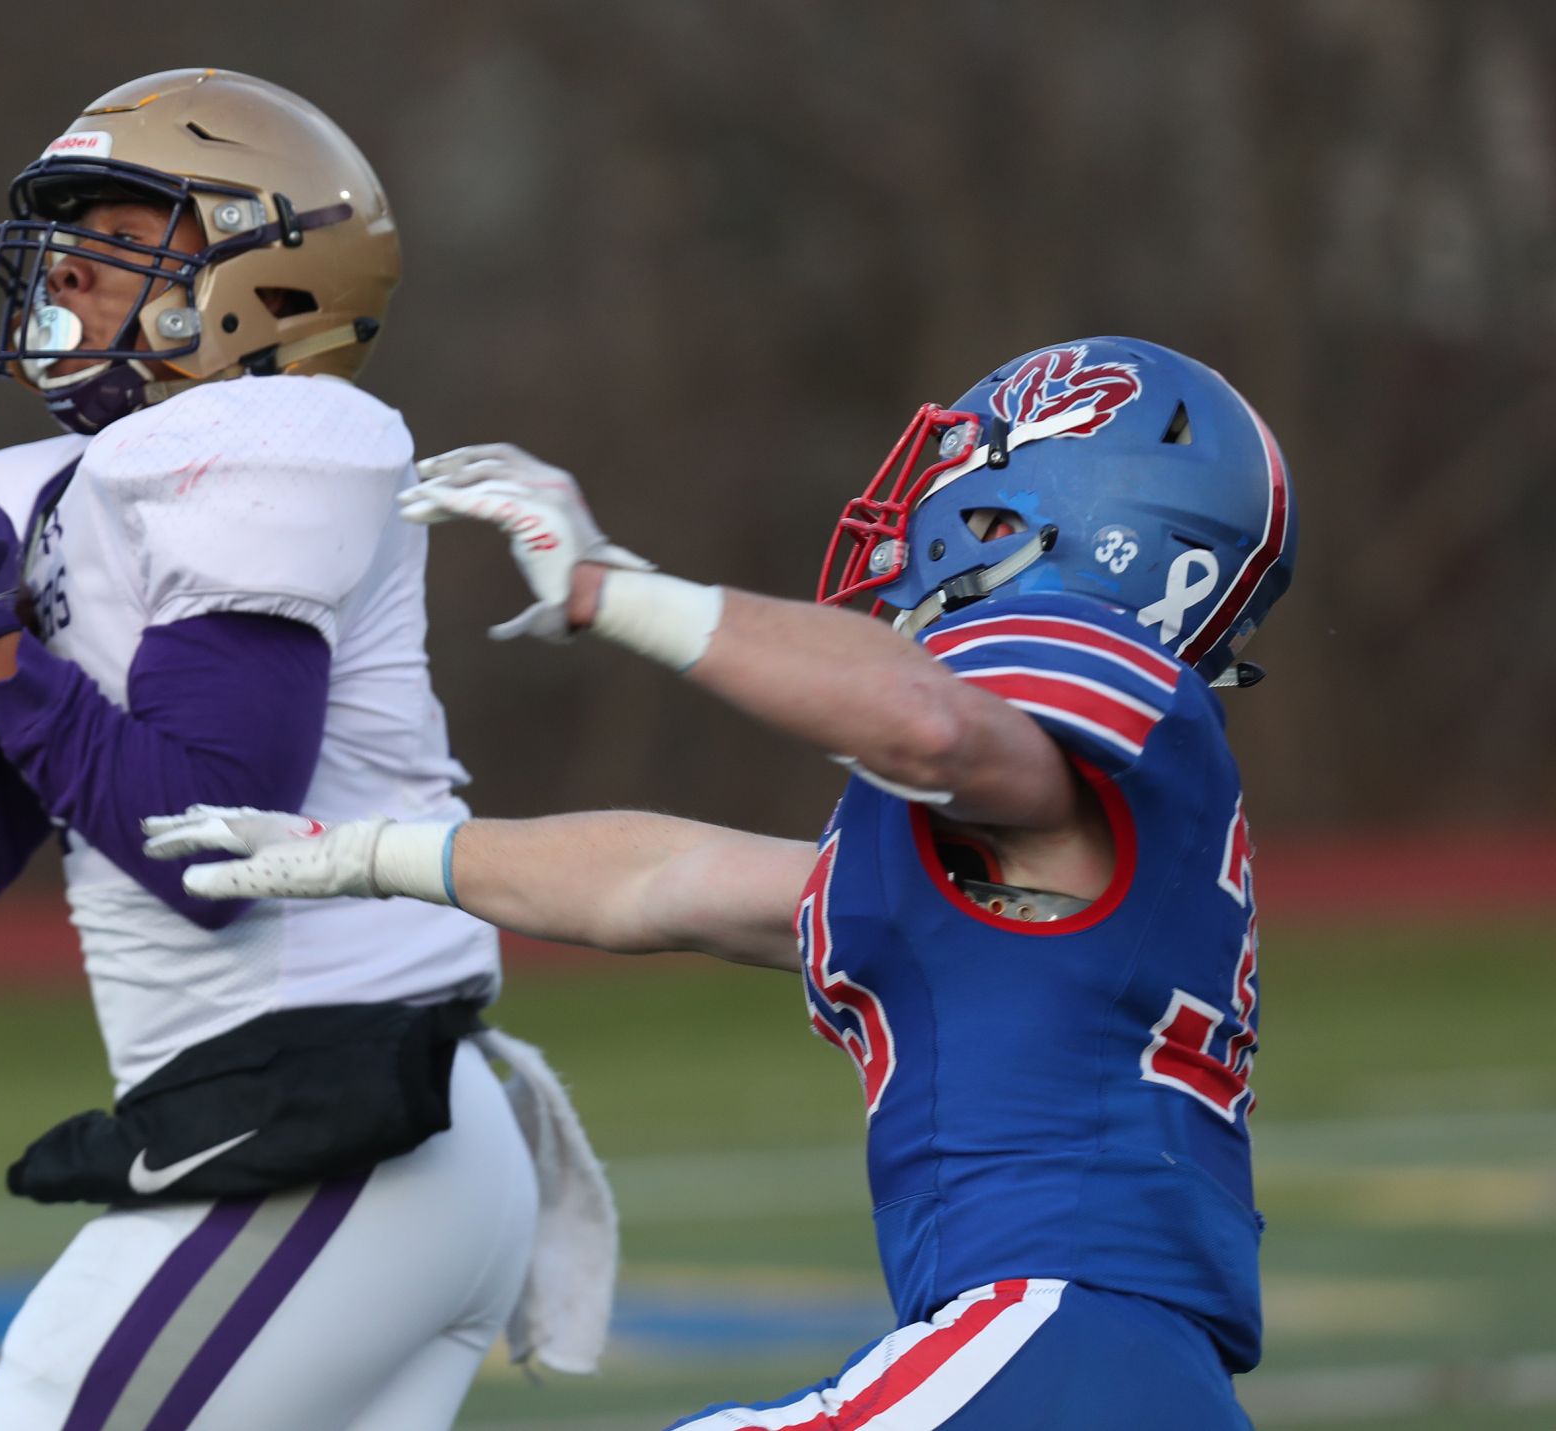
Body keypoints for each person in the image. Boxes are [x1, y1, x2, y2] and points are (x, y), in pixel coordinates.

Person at [144, 336, 1296, 1430]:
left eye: (970, 481)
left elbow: (929, 725)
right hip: (1103, 1363)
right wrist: (371, 852)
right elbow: (669, 881)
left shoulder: (1084, 666)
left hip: (1054, 1333)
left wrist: (613, 592)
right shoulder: (1038, 855)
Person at [0, 68, 612, 1431]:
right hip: (327, 1133)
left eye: (111, 246)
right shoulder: (45, 487)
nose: (63, 281)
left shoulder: (274, 436)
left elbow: (215, 841)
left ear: (262, 281)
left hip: (339, 1127)